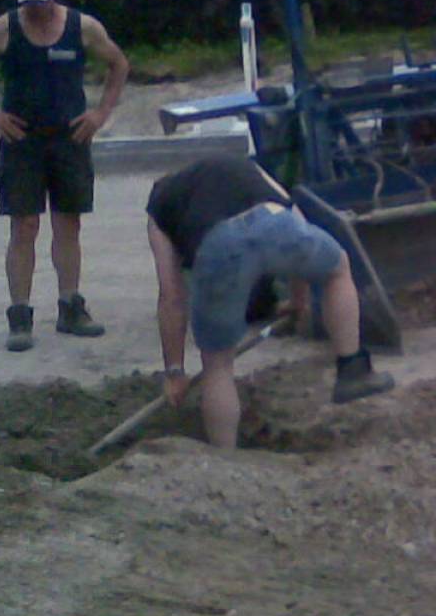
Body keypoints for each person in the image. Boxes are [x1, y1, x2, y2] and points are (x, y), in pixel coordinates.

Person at [146, 156, 395, 449]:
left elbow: (171, 295)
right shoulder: (246, 167)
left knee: (217, 367)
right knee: (337, 268)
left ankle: (223, 461)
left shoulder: (159, 206)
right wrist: (298, 300)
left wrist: (175, 372)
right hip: (275, 223)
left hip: (219, 250)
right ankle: (352, 369)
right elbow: (297, 218)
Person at [0, 0, 129, 351]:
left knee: (68, 224)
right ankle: (20, 316)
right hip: (22, 143)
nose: (37, 8)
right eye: (29, 1)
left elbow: (118, 64)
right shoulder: (0, 30)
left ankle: (71, 307)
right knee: (24, 227)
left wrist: (100, 113)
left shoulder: (82, 27)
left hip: (70, 139)